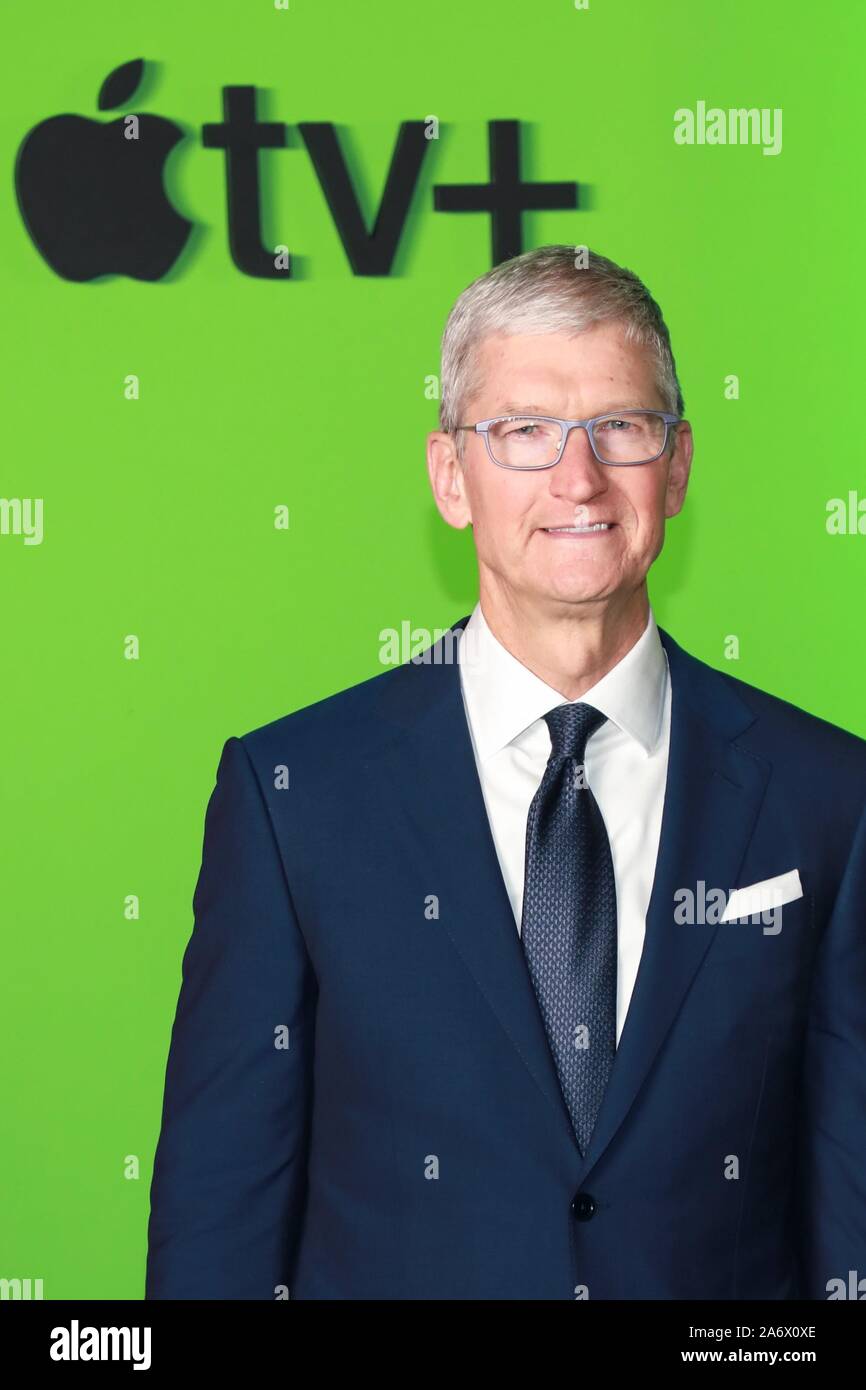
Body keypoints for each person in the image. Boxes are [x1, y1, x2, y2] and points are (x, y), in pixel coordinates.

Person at [146, 245, 866, 1300]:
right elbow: (220, 1224)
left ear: (674, 465)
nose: (576, 478)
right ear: (450, 474)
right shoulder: (294, 796)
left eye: (617, 427)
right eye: (522, 432)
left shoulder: (824, 796)